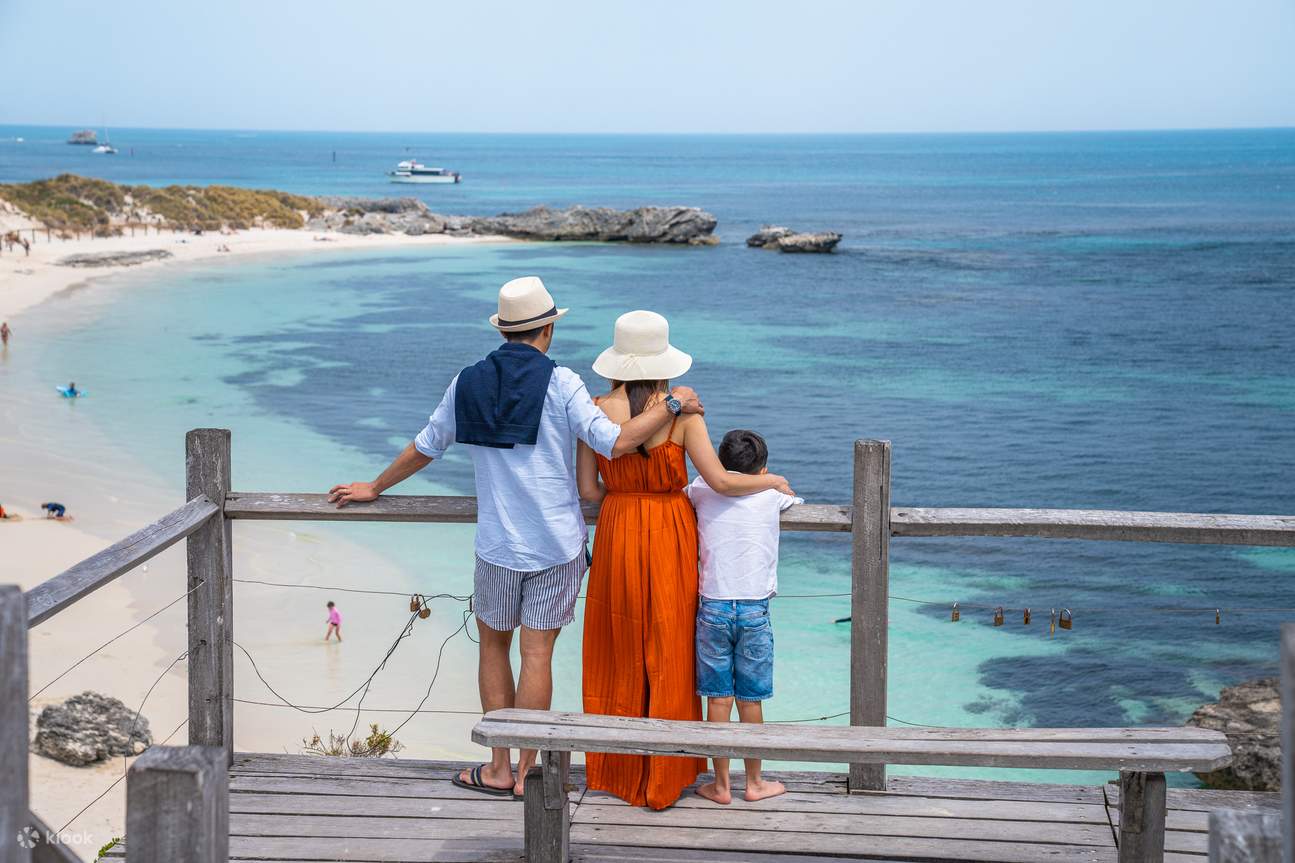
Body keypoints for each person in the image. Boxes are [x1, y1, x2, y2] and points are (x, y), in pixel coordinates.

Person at [326, 277, 704, 798]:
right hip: (557, 544)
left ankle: (499, 766)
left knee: (492, 650)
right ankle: (528, 773)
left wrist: (375, 485)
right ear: (548, 328)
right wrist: (674, 405)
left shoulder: (467, 381)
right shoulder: (562, 382)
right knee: (538, 656)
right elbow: (615, 443)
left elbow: (425, 446)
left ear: (505, 330)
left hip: (497, 545)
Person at [576, 310, 794, 810]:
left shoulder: (591, 408)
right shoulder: (683, 413)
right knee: (671, 645)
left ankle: (620, 769)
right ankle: (669, 772)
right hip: (670, 530)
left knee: (619, 645)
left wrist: (624, 491)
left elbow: (589, 490)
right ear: (663, 363)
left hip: (618, 530)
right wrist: (770, 480)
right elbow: (719, 481)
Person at [686, 429, 801, 805]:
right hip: (753, 607)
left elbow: (697, 487)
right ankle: (754, 782)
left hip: (713, 606)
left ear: (720, 464)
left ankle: (721, 786)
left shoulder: (702, 489)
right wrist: (774, 481)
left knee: (718, 699)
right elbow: (792, 497)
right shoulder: (771, 496)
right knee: (750, 700)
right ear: (762, 468)